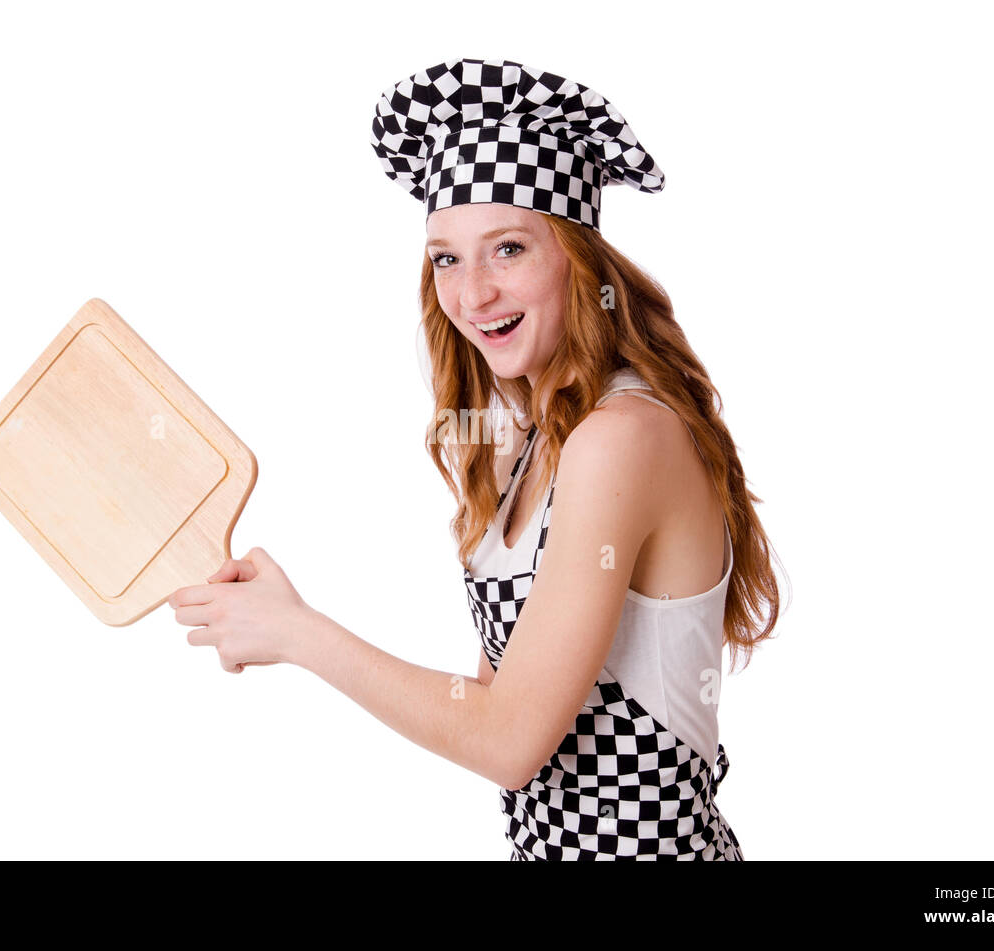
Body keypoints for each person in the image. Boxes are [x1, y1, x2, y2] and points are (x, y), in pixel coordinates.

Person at [168, 57, 781, 860]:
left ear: (578, 258)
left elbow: (511, 740)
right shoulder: (528, 441)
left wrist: (300, 635)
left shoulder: (621, 437)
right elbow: (498, 701)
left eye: (510, 248)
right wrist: (284, 618)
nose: (473, 294)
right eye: (447, 257)